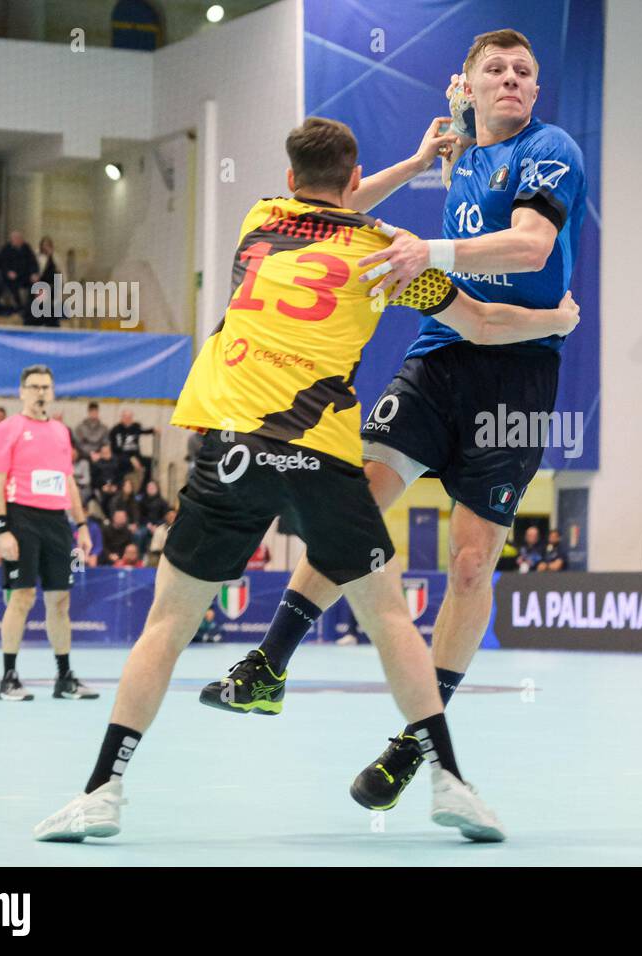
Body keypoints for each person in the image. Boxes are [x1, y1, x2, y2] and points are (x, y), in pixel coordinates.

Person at [33, 112, 578, 845]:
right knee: (388, 619)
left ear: (292, 181)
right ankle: (448, 780)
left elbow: (338, 202)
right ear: (353, 183)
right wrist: (558, 323)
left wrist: (412, 164)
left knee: (168, 623)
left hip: (231, 441)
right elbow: (479, 323)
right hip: (318, 452)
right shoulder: (387, 254)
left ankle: (101, 791)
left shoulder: (259, 220)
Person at [195, 30, 589, 818]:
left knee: (472, 563)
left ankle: (417, 743)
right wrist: (421, 158)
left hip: (518, 361)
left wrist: (432, 250)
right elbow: (333, 210)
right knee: (362, 501)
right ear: (467, 86)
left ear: (535, 91)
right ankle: (268, 663)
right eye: (495, 71)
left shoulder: (552, 148)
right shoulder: (463, 151)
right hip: (441, 354)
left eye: (524, 72)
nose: (512, 80)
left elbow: (529, 243)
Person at [0, 365, 96, 703]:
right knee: (22, 598)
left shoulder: (62, 432)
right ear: (21, 391)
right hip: (21, 518)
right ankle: (9, 678)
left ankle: (64, 677)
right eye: (33, 386)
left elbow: (67, 481)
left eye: (45, 387)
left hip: (56, 522)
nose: (39, 392)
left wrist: (80, 524)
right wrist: (3, 529)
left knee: (59, 601)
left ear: (52, 392)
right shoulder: (8, 429)